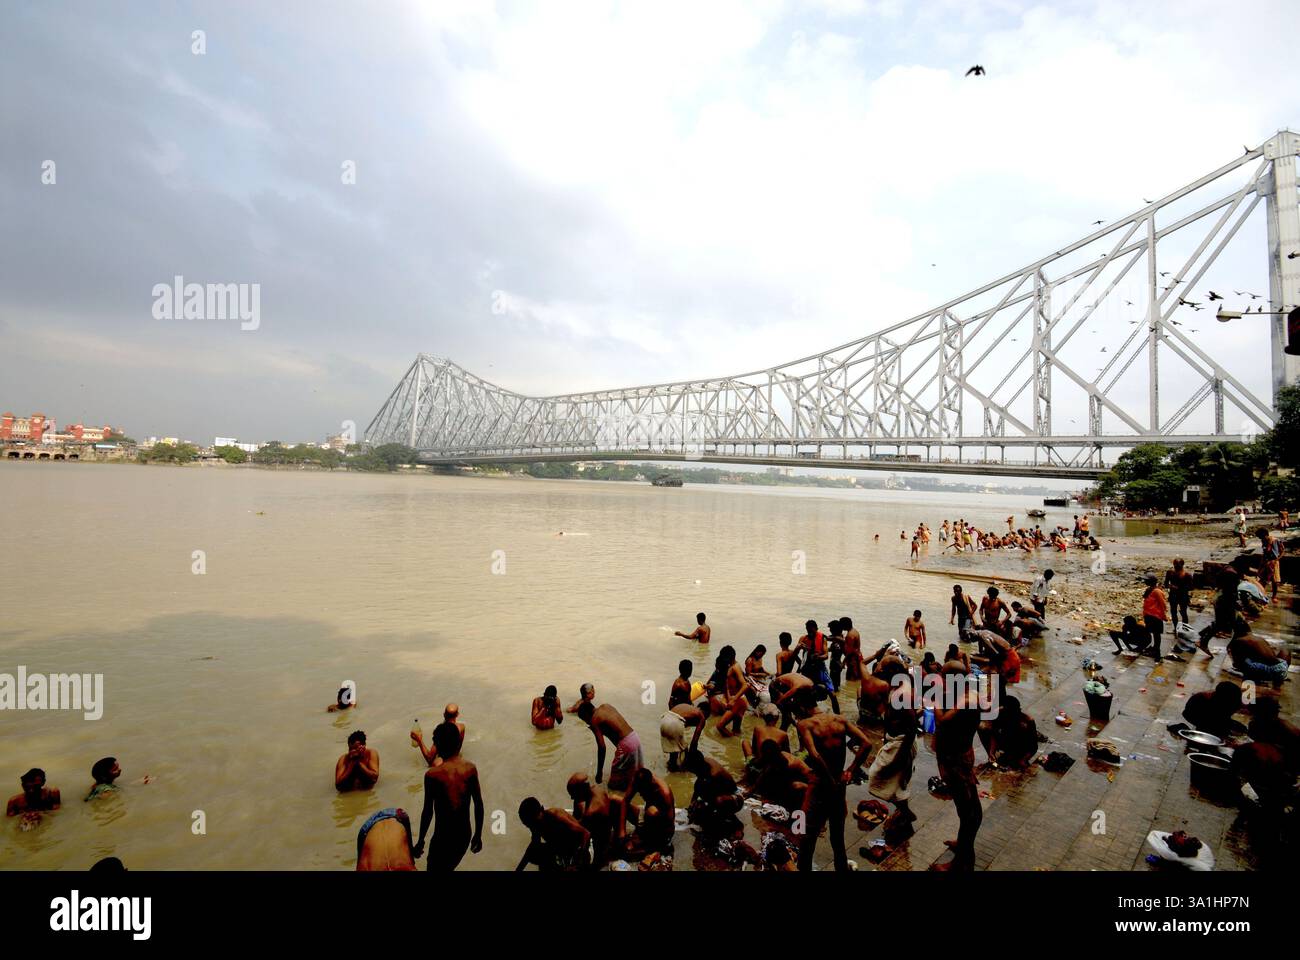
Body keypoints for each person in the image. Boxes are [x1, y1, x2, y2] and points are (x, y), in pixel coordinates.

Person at [793, 710, 872, 871]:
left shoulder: (804, 725)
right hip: (839, 784)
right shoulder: (840, 720)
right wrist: (850, 770)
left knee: (806, 837)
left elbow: (814, 755)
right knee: (837, 837)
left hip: (821, 784)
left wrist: (829, 780)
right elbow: (867, 743)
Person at [932, 660, 982, 871]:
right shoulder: (964, 695)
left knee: (967, 811)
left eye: (944, 677)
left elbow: (943, 720)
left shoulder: (966, 700)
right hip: (958, 757)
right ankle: (963, 845)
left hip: (957, 761)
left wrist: (933, 702)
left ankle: (962, 862)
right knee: (967, 807)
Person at [413, 723, 484, 870]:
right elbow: (478, 804)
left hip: (443, 838)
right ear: (459, 743)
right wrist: (478, 834)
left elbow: (428, 811)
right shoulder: (470, 769)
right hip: (464, 835)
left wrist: (420, 840)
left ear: (438, 746)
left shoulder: (432, 775)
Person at [867, 660, 918, 842]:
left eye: (884, 670)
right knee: (896, 785)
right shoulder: (898, 686)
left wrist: (901, 756)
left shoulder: (902, 693)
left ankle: (906, 813)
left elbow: (912, 727)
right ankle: (904, 815)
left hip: (901, 744)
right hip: (894, 741)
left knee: (876, 775)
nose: (880, 673)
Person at [576, 701, 641, 793]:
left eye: (585, 720)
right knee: (633, 777)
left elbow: (602, 747)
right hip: (634, 738)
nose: (587, 723)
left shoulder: (594, 720)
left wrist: (599, 772)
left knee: (612, 786)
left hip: (626, 745)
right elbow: (616, 730)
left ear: (587, 716)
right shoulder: (605, 706)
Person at [515, 798, 591, 871]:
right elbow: (532, 849)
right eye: (527, 824)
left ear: (540, 811)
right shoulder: (535, 824)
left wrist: (577, 864)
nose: (530, 826)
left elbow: (585, 833)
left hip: (577, 848)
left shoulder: (557, 816)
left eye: (530, 823)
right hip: (560, 848)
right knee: (534, 854)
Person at [566, 772, 621, 867]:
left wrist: (581, 857)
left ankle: (599, 862)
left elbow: (585, 835)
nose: (571, 797)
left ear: (582, 790)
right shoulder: (597, 789)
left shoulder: (592, 812)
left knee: (597, 859)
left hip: (601, 836)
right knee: (577, 802)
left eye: (573, 794)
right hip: (606, 822)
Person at [977, 696, 1037, 769]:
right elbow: (993, 734)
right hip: (1006, 741)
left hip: (1019, 746)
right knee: (982, 727)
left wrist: (1024, 760)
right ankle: (994, 757)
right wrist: (991, 752)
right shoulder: (1001, 714)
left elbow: (1033, 747)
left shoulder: (1027, 722)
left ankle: (1012, 758)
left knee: (1014, 763)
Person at [626, 768, 676, 853]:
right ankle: (641, 835)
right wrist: (622, 832)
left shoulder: (663, 792)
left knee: (652, 812)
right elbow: (625, 801)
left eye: (642, 791)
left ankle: (647, 841)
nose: (641, 794)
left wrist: (661, 841)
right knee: (615, 800)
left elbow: (670, 821)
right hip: (646, 817)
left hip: (660, 826)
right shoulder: (637, 780)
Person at [1226, 619, 1291, 682]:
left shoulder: (1239, 640)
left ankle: (1257, 675)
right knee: (1285, 650)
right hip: (1281, 668)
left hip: (1269, 672)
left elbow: (1235, 663)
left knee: (1245, 660)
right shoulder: (1259, 638)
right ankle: (1282, 675)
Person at [797, 619, 839, 714]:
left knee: (832, 694)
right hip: (807, 669)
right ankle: (803, 714)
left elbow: (826, 655)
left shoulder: (822, 638)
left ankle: (838, 715)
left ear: (816, 629)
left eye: (812, 631)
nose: (810, 633)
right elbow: (795, 654)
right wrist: (799, 647)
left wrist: (817, 657)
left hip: (820, 668)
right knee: (804, 693)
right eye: (808, 631)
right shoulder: (803, 639)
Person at [659, 700, 706, 771]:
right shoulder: (701, 716)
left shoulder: (687, 707)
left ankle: (669, 771)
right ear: (706, 713)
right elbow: (694, 742)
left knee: (675, 753)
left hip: (664, 720)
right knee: (681, 754)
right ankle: (675, 777)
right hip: (674, 723)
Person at [1142, 575, 1168, 660]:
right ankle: (1154, 648)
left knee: (1156, 634)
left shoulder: (1157, 591)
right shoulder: (1150, 589)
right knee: (1153, 632)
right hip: (1149, 615)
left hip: (1155, 615)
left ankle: (1157, 650)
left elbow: (1163, 604)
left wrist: (1164, 615)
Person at [1164, 558, 1194, 632]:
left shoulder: (1186, 575)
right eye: (1175, 564)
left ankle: (1185, 628)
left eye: (1178, 565)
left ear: (1182, 565)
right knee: (1174, 612)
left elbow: (1191, 587)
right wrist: (1171, 586)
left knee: (1183, 612)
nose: (1176, 566)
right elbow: (1166, 584)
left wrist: (1178, 588)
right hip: (1174, 595)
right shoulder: (1170, 573)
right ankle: (1176, 628)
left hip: (1182, 595)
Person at [1258, 529, 1283, 602]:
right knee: (1263, 579)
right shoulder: (1263, 541)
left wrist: (1276, 560)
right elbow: (1265, 552)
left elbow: (1282, 551)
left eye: (1261, 537)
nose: (1260, 539)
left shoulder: (1276, 540)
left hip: (1274, 562)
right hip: (1266, 561)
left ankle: (1274, 596)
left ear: (1265, 535)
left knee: (1274, 580)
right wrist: (1261, 564)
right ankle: (1261, 596)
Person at [841, 616, 863, 682]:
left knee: (851, 680)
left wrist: (843, 662)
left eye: (841, 625)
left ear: (845, 625)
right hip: (857, 657)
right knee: (857, 678)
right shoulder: (854, 631)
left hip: (853, 660)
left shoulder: (850, 635)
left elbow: (850, 651)